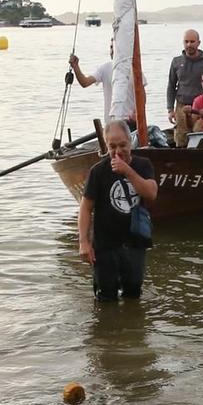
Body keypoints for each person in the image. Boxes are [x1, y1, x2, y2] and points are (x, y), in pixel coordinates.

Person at [76, 121, 158, 302]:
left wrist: (128, 171)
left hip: (135, 242)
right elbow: (85, 208)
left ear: (130, 142)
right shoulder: (98, 172)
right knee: (105, 297)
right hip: (105, 245)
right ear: (106, 146)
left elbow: (151, 193)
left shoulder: (143, 165)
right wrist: (84, 242)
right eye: (112, 147)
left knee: (133, 295)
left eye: (122, 145)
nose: (118, 151)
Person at [164, 29, 203, 147]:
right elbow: (171, 86)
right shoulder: (176, 62)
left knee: (199, 134)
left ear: (198, 43)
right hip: (181, 106)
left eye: (192, 42)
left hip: (201, 107)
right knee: (180, 137)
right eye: (186, 41)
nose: (189, 45)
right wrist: (170, 109)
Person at [68, 45, 124, 128]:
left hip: (130, 123)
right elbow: (85, 82)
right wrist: (76, 67)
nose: (112, 51)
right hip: (110, 125)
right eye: (111, 47)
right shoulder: (105, 68)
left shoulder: (133, 68)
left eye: (114, 47)